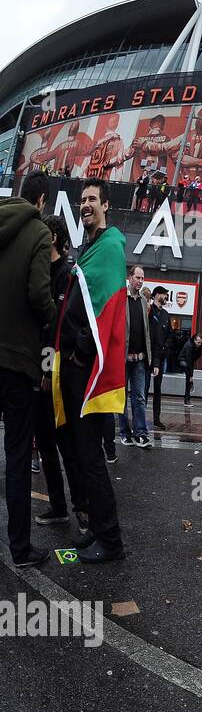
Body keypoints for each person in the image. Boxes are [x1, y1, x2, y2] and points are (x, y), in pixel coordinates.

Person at [57, 178, 127, 563]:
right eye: (82, 200)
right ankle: (99, 530)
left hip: (87, 369)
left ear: (105, 205)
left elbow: (105, 309)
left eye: (92, 200)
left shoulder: (110, 245)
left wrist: (83, 350)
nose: (85, 205)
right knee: (83, 456)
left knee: (92, 457)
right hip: (71, 367)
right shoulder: (88, 247)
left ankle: (111, 540)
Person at [0, 173, 58, 566]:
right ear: (41, 200)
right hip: (18, 361)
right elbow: (39, 292)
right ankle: (20, 548)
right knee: (18, 455)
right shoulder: (38, 232)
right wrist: (52, 319)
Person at [33, 213, 89, 530]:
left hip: (58, 373)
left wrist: (45, 371)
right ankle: (58, 507)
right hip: (41, 370)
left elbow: (55, 328)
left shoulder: (68, 274)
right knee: (45, 441)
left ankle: (82, 507)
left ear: (53, 237)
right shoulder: (42, 270)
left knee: (66, 443)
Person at [120, 265, 153, 447]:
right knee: (122, 398)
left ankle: (141, 433)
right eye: (137, 277)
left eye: (142, 278)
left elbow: (146, 331)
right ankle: (125, 433)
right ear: (130, 277)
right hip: (123, 358)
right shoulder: (121, 298)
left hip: (140, 359)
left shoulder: (143, 301)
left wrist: (149, 357)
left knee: (139, 397)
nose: (140, 281)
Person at [149, 285, 171, 431]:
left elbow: (169, 334)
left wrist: (166, 348)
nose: (165, 297)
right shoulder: (148, 310)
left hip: (160, 356)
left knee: (158, 389)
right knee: (142, 389)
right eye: (164, 294)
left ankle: (157, 418)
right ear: (157, 295)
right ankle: (138, 420)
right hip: (148, 355)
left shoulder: (165, 314)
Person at [178, 331, 202, 407]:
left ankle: (187, 398)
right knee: (188, 377)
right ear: (195, 340)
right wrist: (191, 375)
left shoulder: (197, 346)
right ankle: (187, 399)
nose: (199, 344)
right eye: (198, 342)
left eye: (200, 342)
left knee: (188, 379)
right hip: (183, 360)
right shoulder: (189, 346)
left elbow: (194, 358)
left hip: (189, 361)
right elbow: (188, 360)